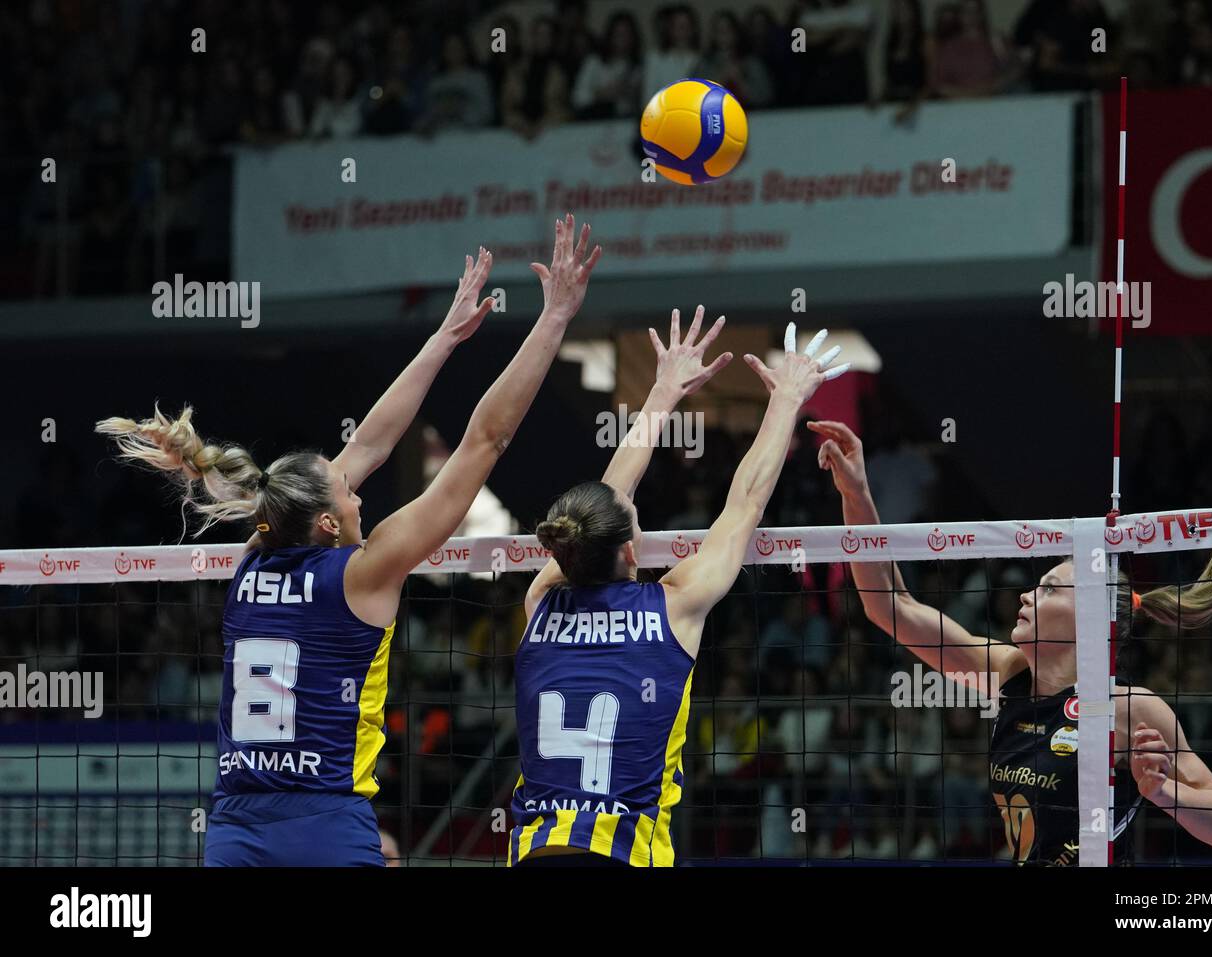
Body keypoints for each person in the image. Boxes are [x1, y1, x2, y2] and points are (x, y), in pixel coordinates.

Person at [96, 216, 601, 866]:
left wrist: (444, 338)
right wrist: (554, 318)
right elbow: (484, 440)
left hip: (234, 828)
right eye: (348, 491)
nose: (359, 489)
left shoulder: (252, 562)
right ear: (329, 522)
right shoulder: (364, 574)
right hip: (324, 824)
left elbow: (367, 443)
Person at [808, 418, 1212, 864]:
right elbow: (891, 606)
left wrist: (1163, 794)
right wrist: (857, 491)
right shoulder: (1007, 672)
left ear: (1093, 616)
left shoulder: (1128, 708)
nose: (1025, 594)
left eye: (1050, 588)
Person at [509, 318, 849, 866]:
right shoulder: (672, 607)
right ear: (629, 552)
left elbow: (606, 501)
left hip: (537, 853)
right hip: (621, 855)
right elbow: (746, 502)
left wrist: (662, 392)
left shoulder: (541, 602)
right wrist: (786, 400)